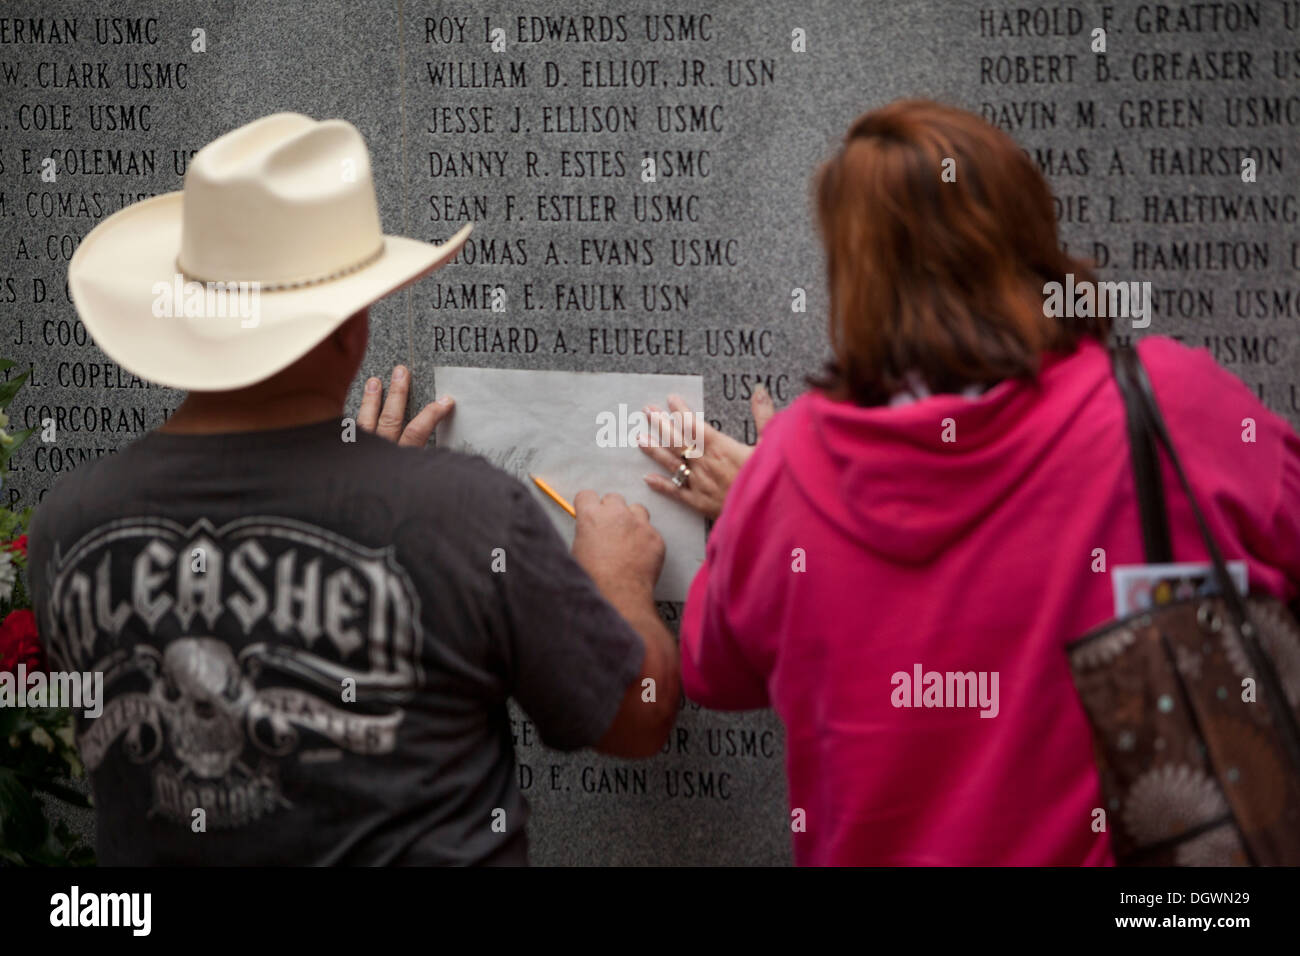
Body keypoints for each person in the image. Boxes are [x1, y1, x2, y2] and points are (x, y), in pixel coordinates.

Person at [640, 99, 1300, 865]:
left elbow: (712, 670)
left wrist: (765, 515)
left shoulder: (785, 477)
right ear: (1028, 232)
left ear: (850, 276)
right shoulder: (1171, 408)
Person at [27, 112, 678, 865]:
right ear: (353, 326)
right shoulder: (463, 515)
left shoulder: (65, 524)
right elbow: (636, 718)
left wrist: (368, 498)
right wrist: (619, 580)